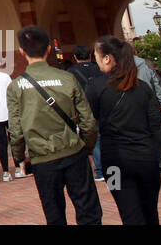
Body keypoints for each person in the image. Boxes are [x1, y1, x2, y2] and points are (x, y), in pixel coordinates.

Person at [7, 26, 102, 226]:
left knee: (54, 214)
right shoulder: (67, 78)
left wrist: (19, 156)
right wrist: (88, 146)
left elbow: (15, 130)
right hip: (73, 151)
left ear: (22, 52)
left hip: (42, 158)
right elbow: (88, 121)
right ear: (49, 49)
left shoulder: (16, 87)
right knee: (88, 209)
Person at [89, 36, 161, 224]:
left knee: (128, 213)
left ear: (107, 58)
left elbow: (88, 123)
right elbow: (157, 127)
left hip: (114, 166)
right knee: (150, 213)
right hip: (146, 161)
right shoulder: (143, 89)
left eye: (96, 56)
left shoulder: (96, 87)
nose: (96, 60)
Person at [69, 45, 104, 179]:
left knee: (90, 138)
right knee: (102, 137)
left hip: (83, 110)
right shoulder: (99, 68)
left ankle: (97, 171)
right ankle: (107, 169)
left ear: (75, 57)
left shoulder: (70, 72)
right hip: (101, 107)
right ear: (90, 56)